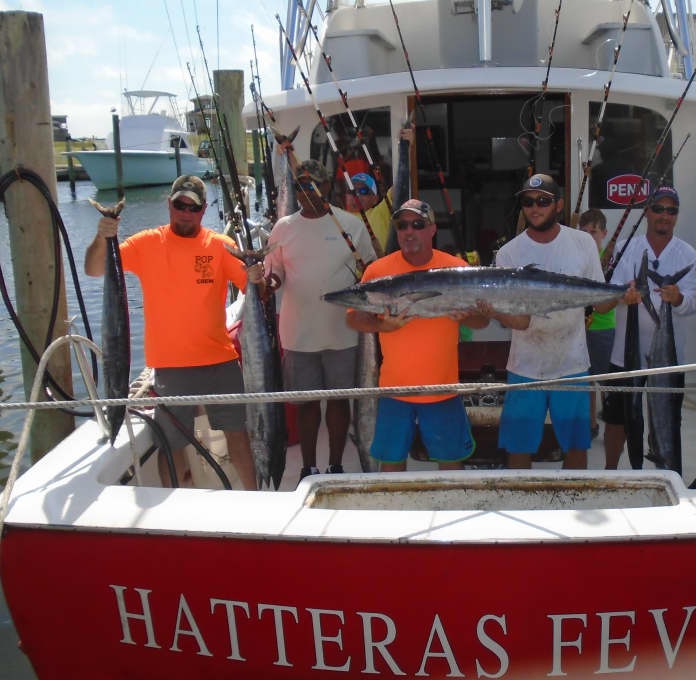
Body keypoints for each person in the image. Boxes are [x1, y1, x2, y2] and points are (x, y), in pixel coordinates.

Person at [84, 175, 261, 490]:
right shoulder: (146, 243)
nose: (184, 212)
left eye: (192, 207)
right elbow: (95, 269)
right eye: (179, 205)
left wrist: (260, 277)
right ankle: (174, 502)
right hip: (170, 367)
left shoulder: (222, 246)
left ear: (203, 210)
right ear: (169, 204)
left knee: (238, 435)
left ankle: (254, 496)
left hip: (220, 362)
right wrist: (102, 236)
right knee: (172, 443)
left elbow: (254, 288)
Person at [345, 199, 489, 471]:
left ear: (432, 229)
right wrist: (382, 327)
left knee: (450, 465)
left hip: (443, 390)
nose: (409, 231)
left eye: (418, 224)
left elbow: (482, 321)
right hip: (394, 391)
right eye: (402, 225)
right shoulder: (378, 271)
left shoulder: (457, 268)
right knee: (391, 466)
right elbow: (352, 317)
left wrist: (467, 316)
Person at [483, 174, 608, 470]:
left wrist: (624, 295)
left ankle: (573, 505)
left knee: (576, 445)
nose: (535, 208)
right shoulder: (508, 253)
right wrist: (492, 310)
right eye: (528, 202)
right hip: (525, 366)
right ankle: (521, 504)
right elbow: (521, 321)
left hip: (573, 364)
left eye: (543, 201)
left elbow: (601, 301)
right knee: (518, 446)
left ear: (559, 205)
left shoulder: (583, 243)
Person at [264, 159, 376, 480]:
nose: (307, 191)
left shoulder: (350, 224)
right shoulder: (283, 227)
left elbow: (370, 268)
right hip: (298, 334)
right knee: (306, 403)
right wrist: (268, 282)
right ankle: (309, 467)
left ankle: (336, 465)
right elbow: (276, 273)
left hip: (343, 333)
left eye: (314, 184)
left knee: (340, 403)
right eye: (300, 185)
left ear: (327, 186)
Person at [602, 186, 696, 469]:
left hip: (669, 358)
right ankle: (612, 472)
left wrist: (678, 298)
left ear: (676, 216)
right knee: (617, 419)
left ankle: (664, 471)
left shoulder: (689, 255)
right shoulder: (623, 248)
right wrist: (624, 294)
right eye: (658, 208)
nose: (664, 215)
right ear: (647, 212)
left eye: (671, 210)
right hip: (625, 354)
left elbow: (694, 302)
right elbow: (608, 293)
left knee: (666, 419)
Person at [579, 208, 614, 438]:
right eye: (585, 232)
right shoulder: (576, 258)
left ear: (604, 233)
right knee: (586, 380)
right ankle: (591, 424)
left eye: (594, 232)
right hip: (580, 328)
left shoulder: (611, 259)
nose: (590, 236)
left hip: (603, 327)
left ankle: (611, 422)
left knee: (606, 381)